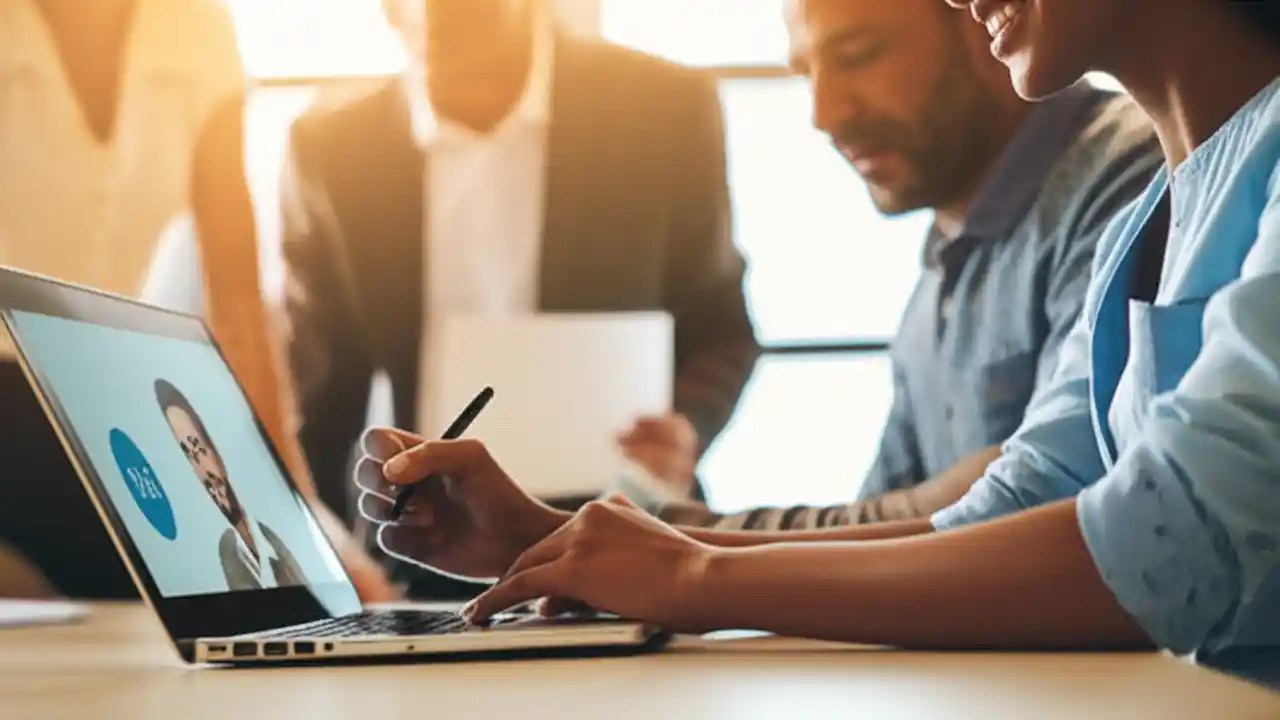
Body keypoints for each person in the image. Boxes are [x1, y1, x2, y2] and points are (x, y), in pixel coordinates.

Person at [356, 0, 1280, 672]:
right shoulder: (1149, 220)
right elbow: (1003, 516)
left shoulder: (1151, 183)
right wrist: (570, 542)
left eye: (862, 53)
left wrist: (690, 575)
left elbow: (1169, 540)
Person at [658, 0, 1162, 531]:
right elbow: (877, 534)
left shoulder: (1129, 178)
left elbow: (1053, 487)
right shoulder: (935, 286)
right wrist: (675, 538)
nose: (826, 115)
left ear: (979, 18)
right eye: (807, 74)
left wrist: (700, 542)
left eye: (859, 55)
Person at [281, 0, 759, 519]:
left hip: (628, 521)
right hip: (425, 534)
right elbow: (323, 387)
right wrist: (319, 542)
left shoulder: (663, 109)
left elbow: (720, 327)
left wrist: (687, 426)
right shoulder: (333, 148)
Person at [0, 0, 393, 600]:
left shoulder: (196, 25)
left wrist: (296, 517)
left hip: (95, 405)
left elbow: (237, 306)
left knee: (230, 603)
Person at [156, 380, 306, 591]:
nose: (201, 468)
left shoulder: (270, 532)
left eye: (199, 449)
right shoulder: (220, 553)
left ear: (214, 449)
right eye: (188, 455)